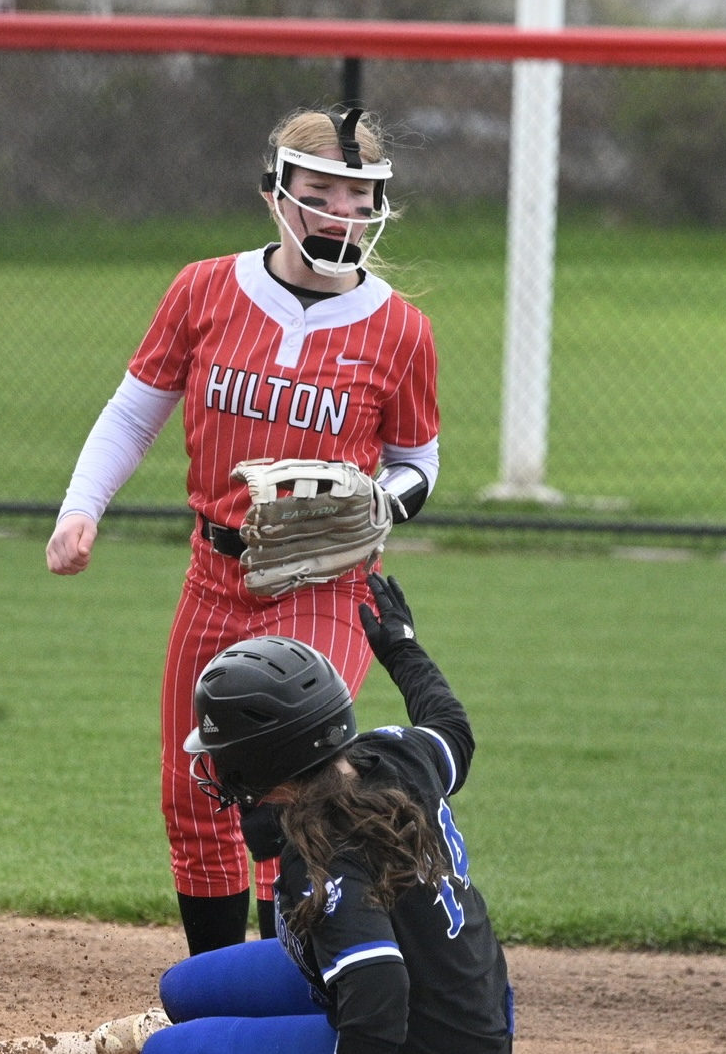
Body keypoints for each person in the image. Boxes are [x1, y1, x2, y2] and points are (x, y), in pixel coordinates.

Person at [47, 105, 442, 955]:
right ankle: (219, 990)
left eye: (357, 196)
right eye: (321, 193)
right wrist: (81, 508)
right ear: (277, 193)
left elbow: (419, 461)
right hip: (214, 574)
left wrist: (381, 504)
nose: (341, 212)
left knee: (292, 778)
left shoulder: (400, 327)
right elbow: (132, 414)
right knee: (194, 787)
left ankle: (295, 984)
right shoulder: (204, 288)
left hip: (325, 583)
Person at [156, 573, 512, 1054]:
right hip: (468, 996)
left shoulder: (320, 851)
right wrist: (402, 649)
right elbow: (452, 729)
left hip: (423, 1037)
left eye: (221, 750)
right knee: (183, 990)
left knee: (170, 1050)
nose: (213, 762)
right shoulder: (393, 754)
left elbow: (380, 1000)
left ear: (257, 761)